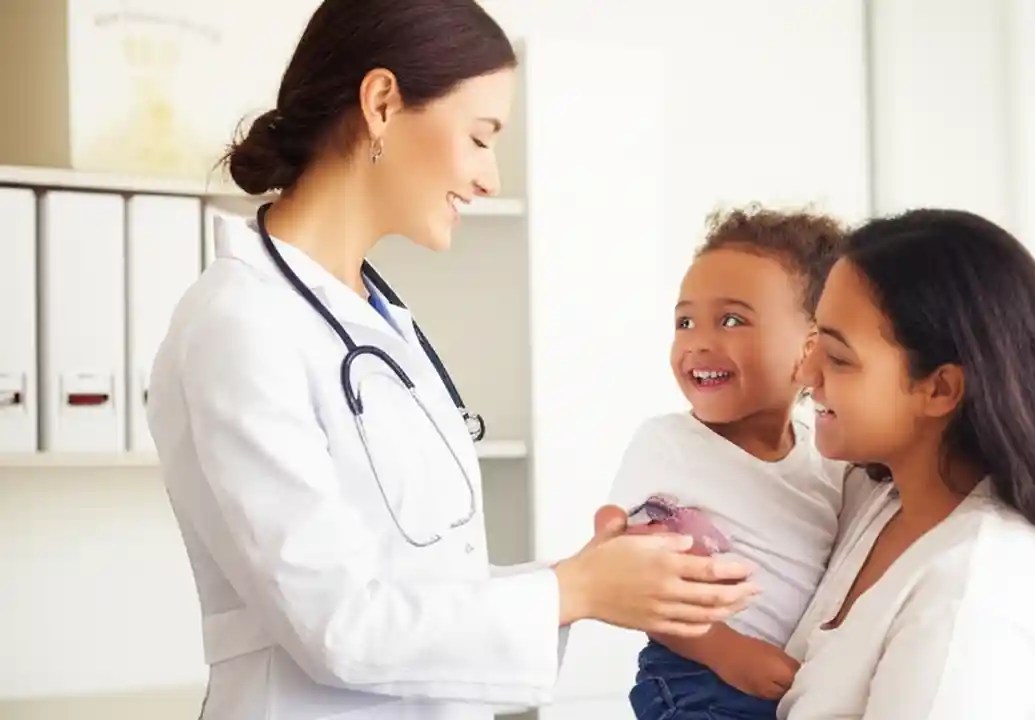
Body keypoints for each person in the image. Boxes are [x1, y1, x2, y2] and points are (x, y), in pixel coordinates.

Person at [145, 2, 755, 718]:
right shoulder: (238, 322)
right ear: (381, 103)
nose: (490, 177)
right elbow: (337, 624)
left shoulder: (375, 319)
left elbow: (423, 577)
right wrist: (575, 591)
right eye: (479, 137)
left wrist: (584, 578)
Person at [778, 209, 1035, 719]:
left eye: (838, 358)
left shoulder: (975, 589)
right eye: (816, 339)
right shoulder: (879, 497)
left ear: (941, 388)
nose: (805, 372)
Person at [608, 208, 849, 720]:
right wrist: (725, 652)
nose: (697, 341)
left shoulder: (827, 462)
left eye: (732, 320)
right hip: (699, 680)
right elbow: (633, 582)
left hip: (789, 686)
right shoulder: (669, 444)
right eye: (685, 321)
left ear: (811, 349)